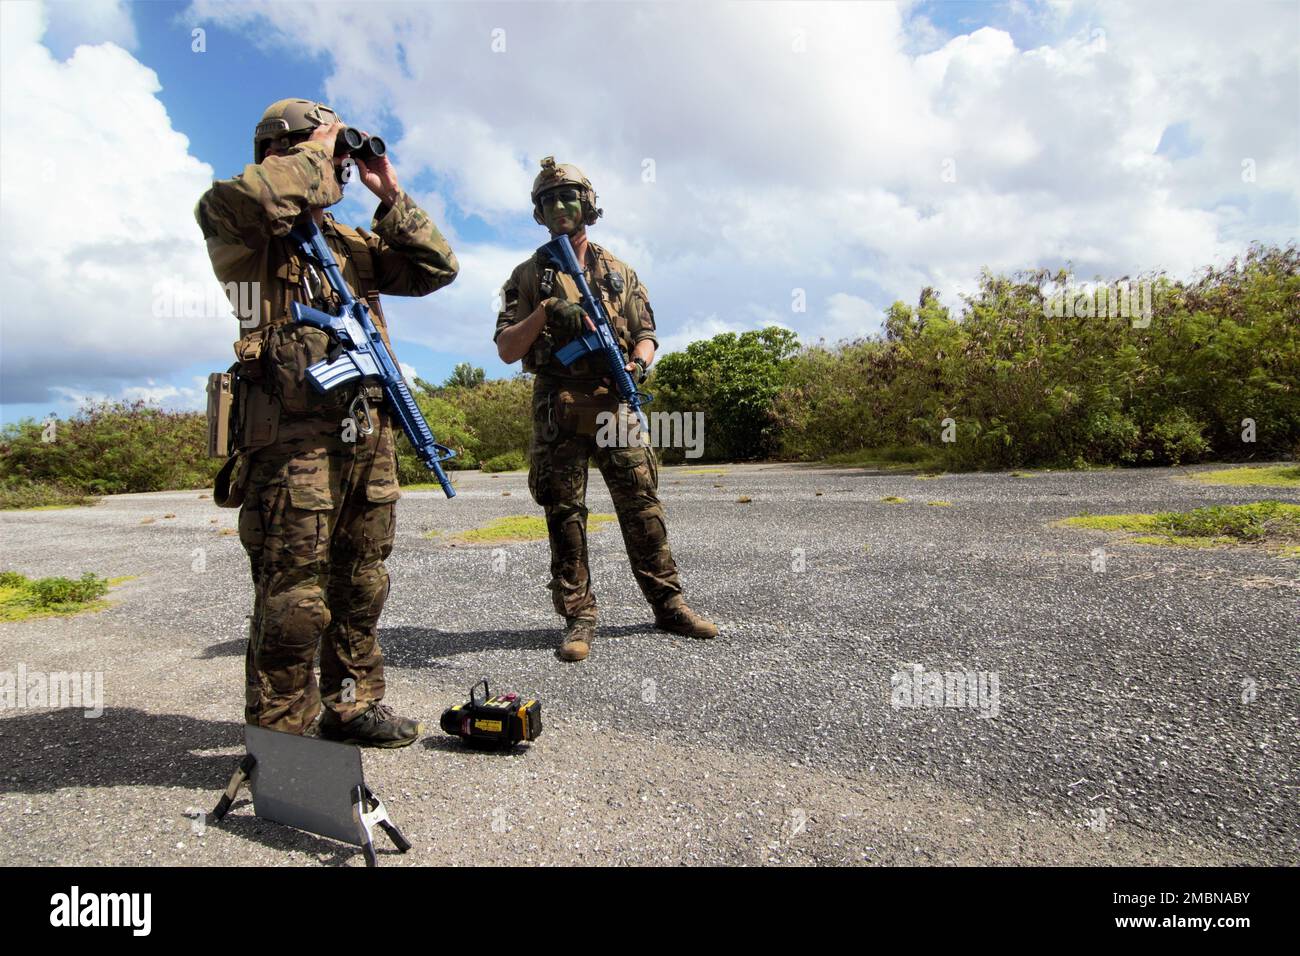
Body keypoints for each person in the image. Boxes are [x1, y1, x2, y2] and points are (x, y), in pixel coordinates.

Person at [195, 99, 458, 745]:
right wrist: (316, 147)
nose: (339, 160)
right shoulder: (241, 228)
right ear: (282, 152)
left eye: (340, 151)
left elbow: (435, 269)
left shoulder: (349, 245)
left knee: (362, 582)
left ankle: (352, 706)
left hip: (366, 435)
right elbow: (251, 199)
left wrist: (388, 191)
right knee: (294, 599)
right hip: (292, 445)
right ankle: (283, 734)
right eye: (328, 149)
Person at [495, 157, 718, 662]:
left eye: (568, 196)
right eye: (547, 199)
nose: (558, 206)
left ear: (588, 204)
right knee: (565, 514)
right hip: (560, 404)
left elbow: (646, 335)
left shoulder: (618, 270)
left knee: (642, 505)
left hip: (614, 402)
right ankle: (578, 618)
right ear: (539, 212)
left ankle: (669, 604)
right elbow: (508, 348)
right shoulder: (528, 275)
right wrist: (548, 311)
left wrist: (637, 366)